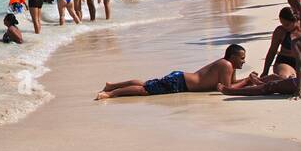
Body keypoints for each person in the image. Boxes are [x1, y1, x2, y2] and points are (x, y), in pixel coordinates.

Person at [97, 45, 247, 98]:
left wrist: (247, 79)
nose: (243, 61)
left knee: (147, 84)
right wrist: (248, 81)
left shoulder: (229, 65)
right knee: (145, 90)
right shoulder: (226, 65)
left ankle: (112, 86)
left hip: (181, 79)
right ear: (232, 57)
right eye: (241, 58)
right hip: (180, 82)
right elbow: (228, 89)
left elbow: (232, 83)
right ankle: (111, 94)